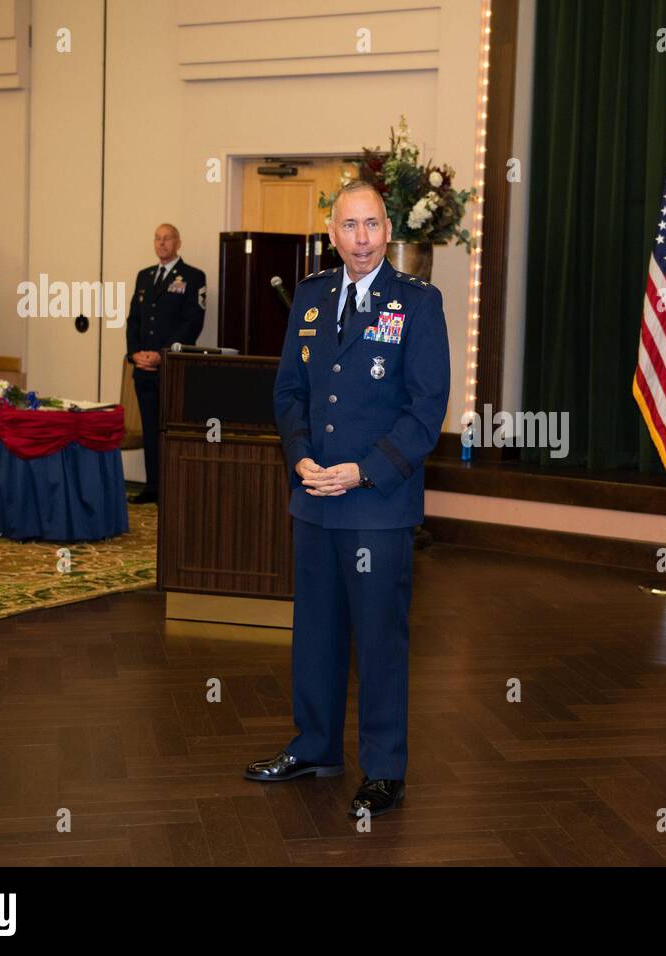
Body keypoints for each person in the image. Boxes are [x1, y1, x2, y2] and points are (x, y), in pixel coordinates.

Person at [246, 181, 450, 819]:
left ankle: (385, 769)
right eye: (349, 226)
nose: (361, 239)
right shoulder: (309, 296)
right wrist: (301, 454)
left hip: (377, 507)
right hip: (314, 499)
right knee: (316, 632)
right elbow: (289, 393)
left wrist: (361, 473)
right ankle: (315, 747)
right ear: (332, 234)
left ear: (388, 231)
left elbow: (426, 411)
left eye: (371, 225)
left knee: (380, 640)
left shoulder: (417, 303)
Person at [124, 223, 206, 505]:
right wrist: (134, 353)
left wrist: (162, 354)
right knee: (149, 427)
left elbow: (192, 322)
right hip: (143, 368)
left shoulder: (193, 277)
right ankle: (152, 485)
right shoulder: (144, 277)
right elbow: (134, 319)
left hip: (170, 367)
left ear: (178, 243)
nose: (161, 244)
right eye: (157, 239)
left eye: (167, 239)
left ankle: (171, 487)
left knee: (167, 428)